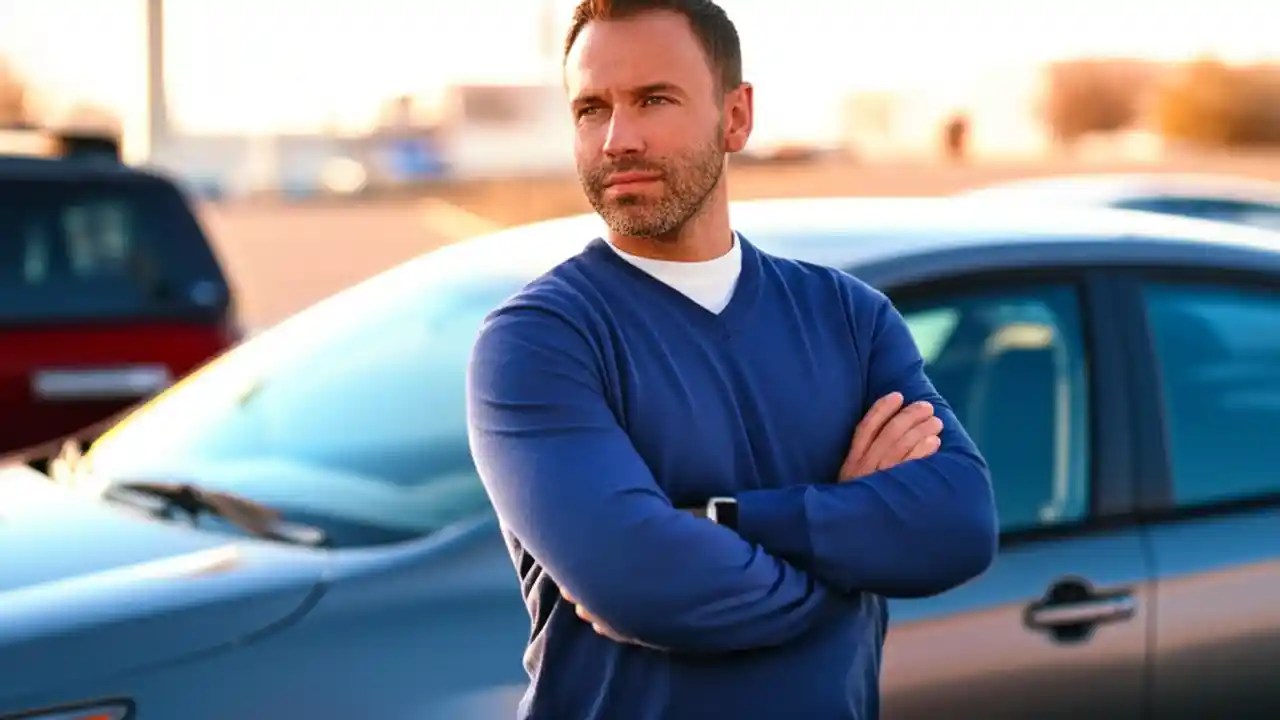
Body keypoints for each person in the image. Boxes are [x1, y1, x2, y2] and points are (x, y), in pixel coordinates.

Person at [465, 1, 999, 718]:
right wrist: (843, 561)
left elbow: (957, 527)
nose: (618, 138)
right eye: (592, 108)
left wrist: (721, 522)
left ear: (736, 117)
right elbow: (642, 583)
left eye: (654, 99)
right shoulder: (540, 341)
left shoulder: (848, 317)